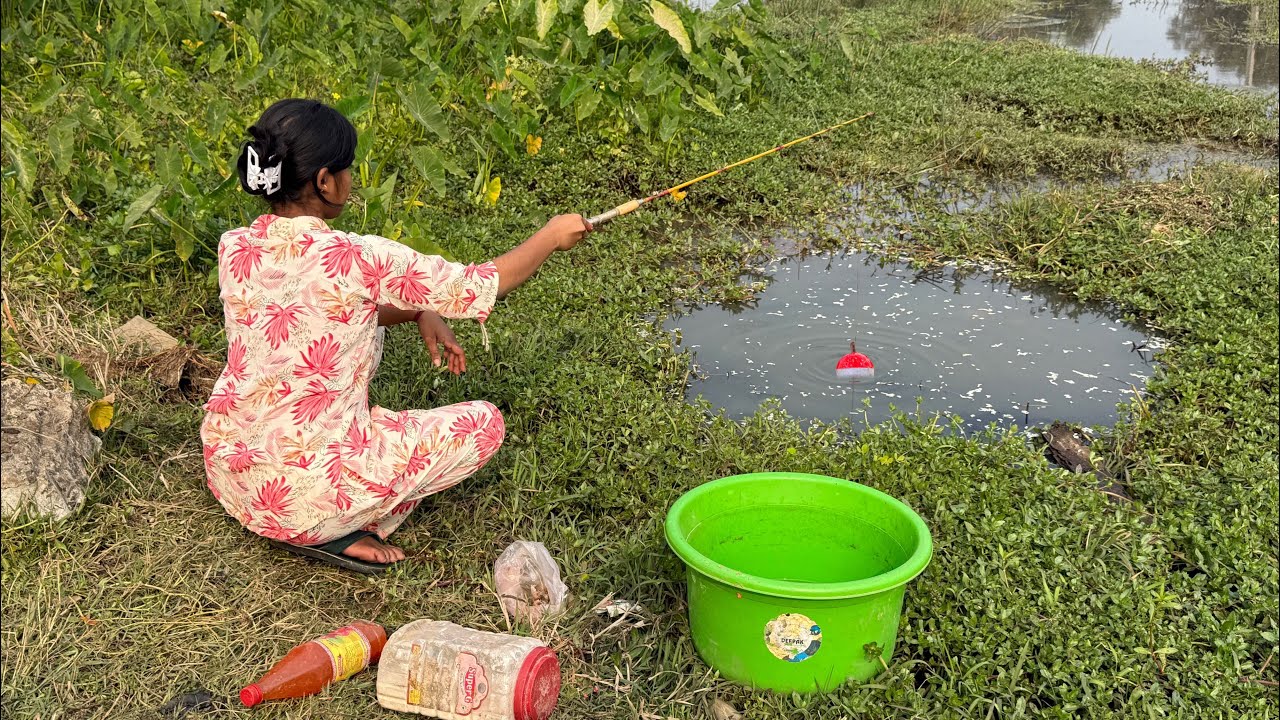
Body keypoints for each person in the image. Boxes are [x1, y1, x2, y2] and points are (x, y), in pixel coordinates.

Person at [200, 99, 591, 573]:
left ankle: (320, 514)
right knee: (484, 424)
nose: (352, 180)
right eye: (347, 169)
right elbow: (477, 286)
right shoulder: (359, 256)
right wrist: (550, 236)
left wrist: (417, 312)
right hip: (306, 496)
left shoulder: (235, 246)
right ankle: (338, 529)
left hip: (233, 474)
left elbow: (317, 311)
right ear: (324, 181)